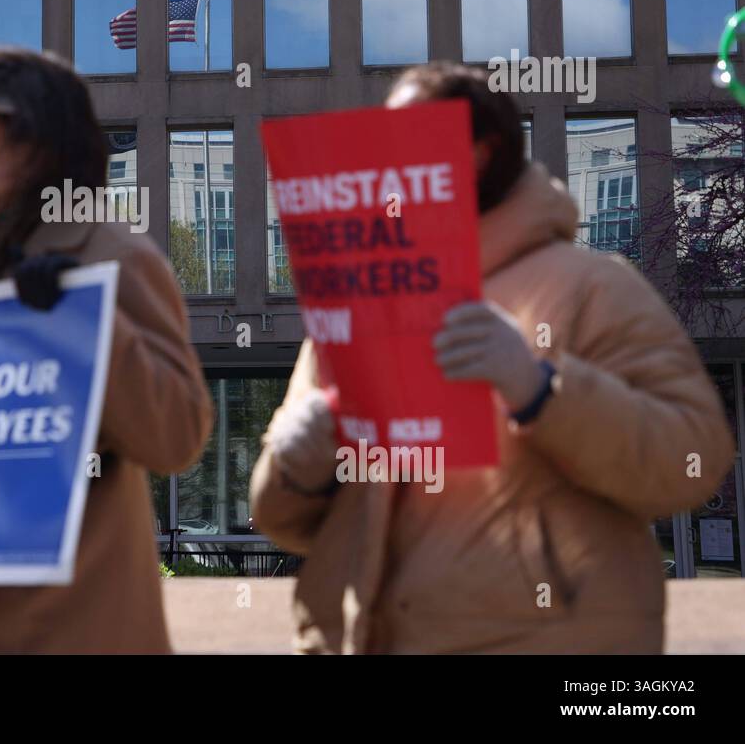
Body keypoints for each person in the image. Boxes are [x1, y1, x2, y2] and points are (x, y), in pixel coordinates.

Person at [250, 62, 735, 654]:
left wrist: (540, 391)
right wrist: (297, 463)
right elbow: (281, 521)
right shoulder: (357, 305)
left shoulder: (594, 288)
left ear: (481, 153)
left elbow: (693, 458)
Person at [0, 45, 213, 654]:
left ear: (33, 143)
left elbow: (178, 435)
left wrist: (83, 322)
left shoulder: (115, 254)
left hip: (69, 627)